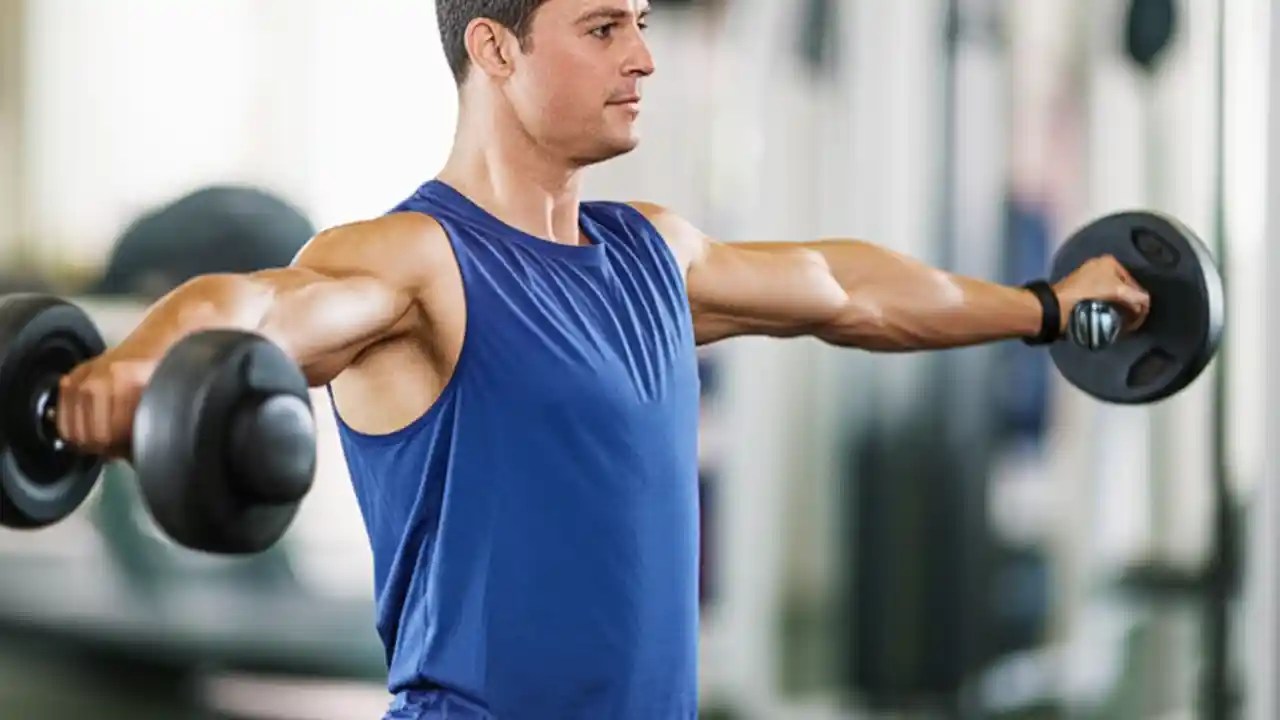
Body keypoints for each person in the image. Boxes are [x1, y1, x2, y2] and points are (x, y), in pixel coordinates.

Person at [54, 1, 1150, 718]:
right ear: (494, 47)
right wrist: (127, 373)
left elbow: (842, 287)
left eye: (636, 20)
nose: (644, 53)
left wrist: (1047, 307)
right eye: (601, 27)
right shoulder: (414, 262)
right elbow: (248, 305)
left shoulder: (651, 252)